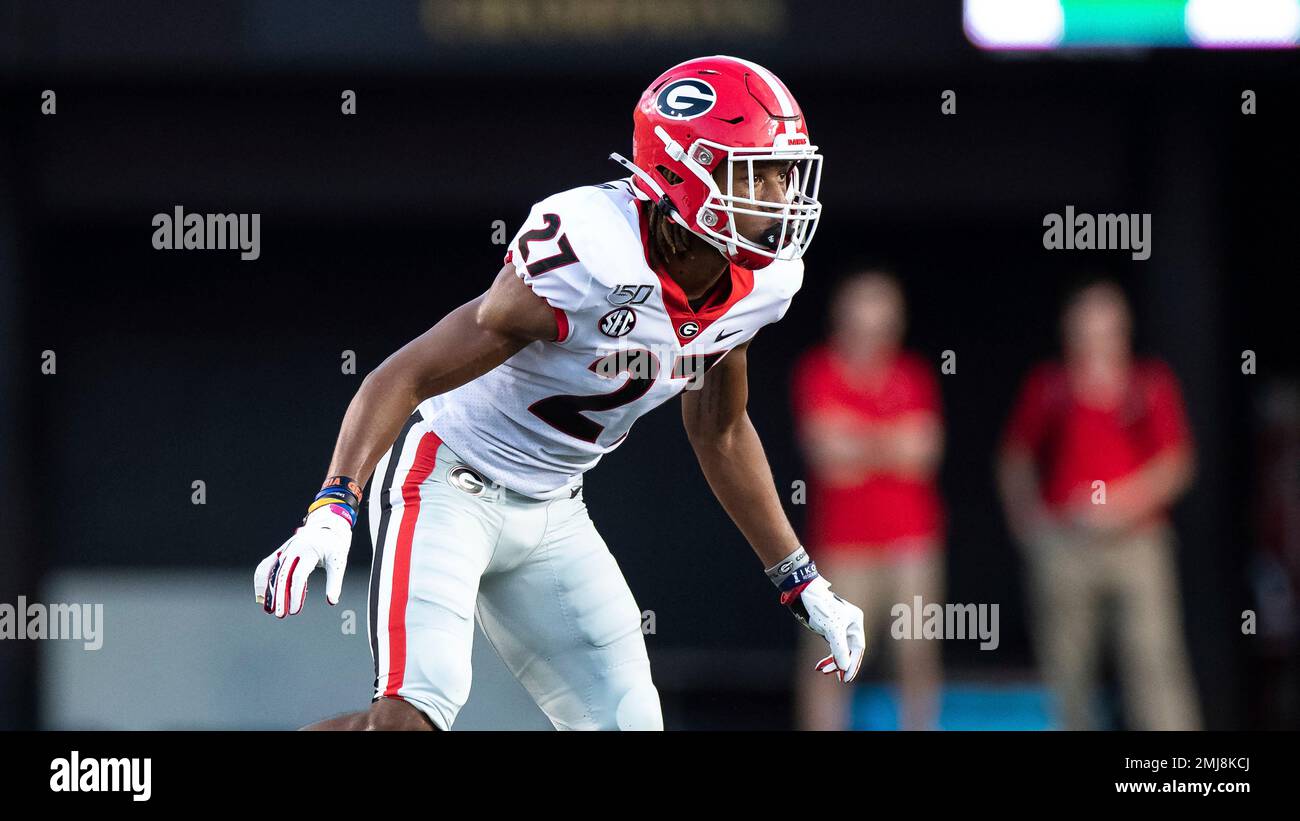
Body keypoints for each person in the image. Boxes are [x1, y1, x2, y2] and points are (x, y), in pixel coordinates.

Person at [252, 55, 866, 731]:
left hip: (555, 509)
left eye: (783, 171)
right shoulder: (591, 251)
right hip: (448, 480)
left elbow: (720, 430)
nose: (782, 193)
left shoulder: (765, 282)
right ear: (682, 170)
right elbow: (406, 372)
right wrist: (335, 500)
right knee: (410, 719)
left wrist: (798, 577)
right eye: (759, 171)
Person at [997, 278, 1200, 730]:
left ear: (1123, 331)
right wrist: (1030, 526)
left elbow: (1176, 463)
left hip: (1138, 544)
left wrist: (1123, 505)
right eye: (1085, 330)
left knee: (1154, 661)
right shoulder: (1051, 386)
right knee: (1068, 671)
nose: (1095, 340)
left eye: (1105, 329)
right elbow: (1016, 459)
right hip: (1065, 545)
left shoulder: (1148, 385)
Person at [792, 271, 945, 730]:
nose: (871, 332)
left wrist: (857, 438)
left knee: (917, 661)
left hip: (911, 543)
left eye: (882, 322)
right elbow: (828, 457)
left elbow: (925, 453)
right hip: (842, 547)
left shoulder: (912, 375)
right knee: (831, 662)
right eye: (862, 320)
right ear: (842, 319)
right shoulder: (818, 371)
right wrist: (892, 443)